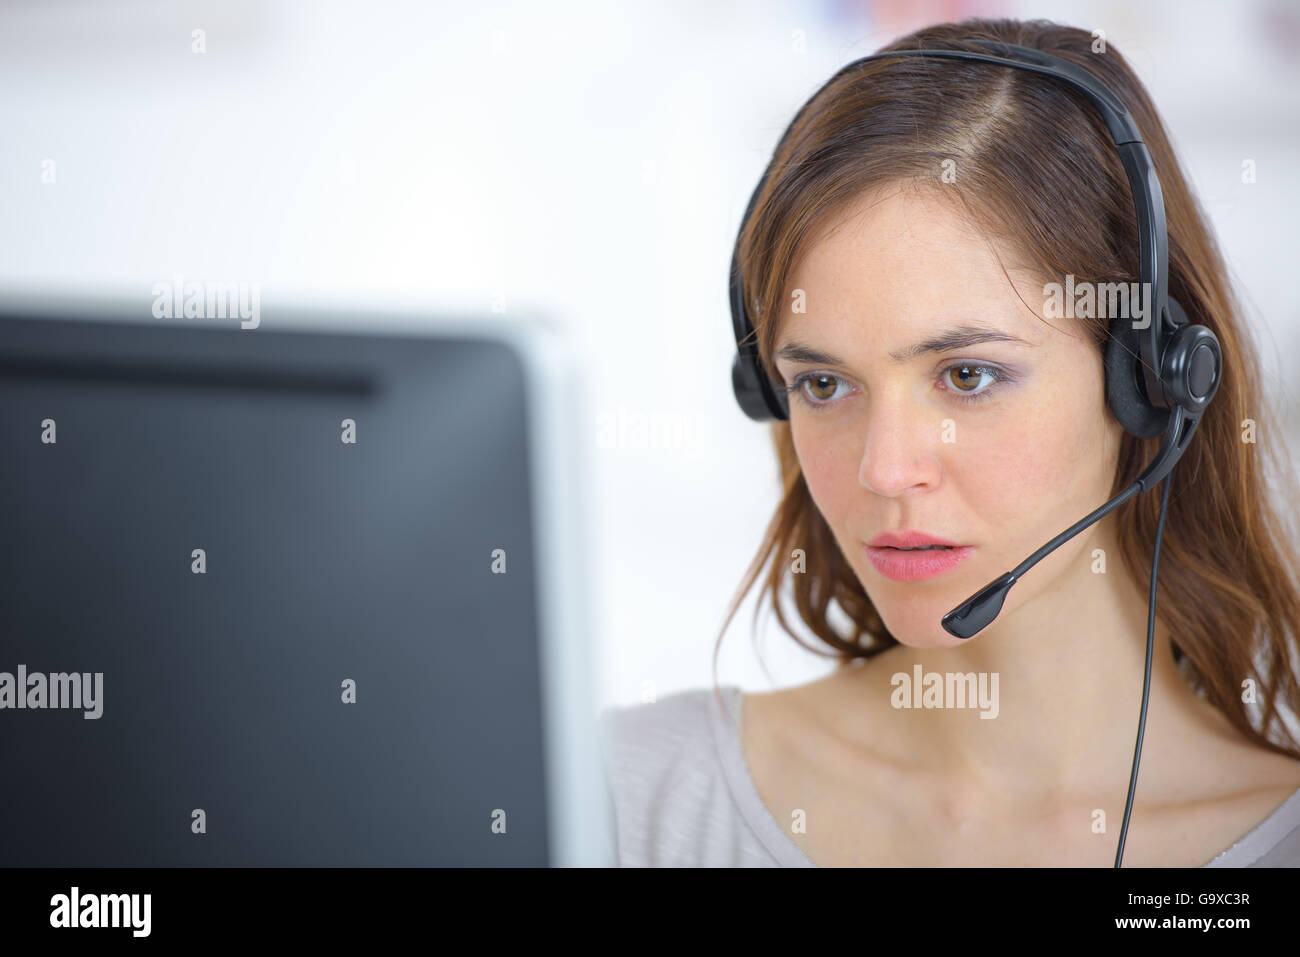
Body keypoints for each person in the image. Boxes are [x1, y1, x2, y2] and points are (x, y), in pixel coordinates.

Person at [599, 17, 1300, 867]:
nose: (886, 470)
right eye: (824, 384)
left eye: (968, 376)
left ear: (1152, 379)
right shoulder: (629, 796)